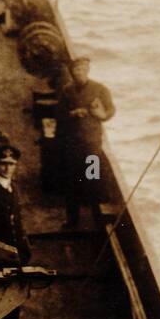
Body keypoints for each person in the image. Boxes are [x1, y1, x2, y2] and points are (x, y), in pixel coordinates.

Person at [59, 57, 115, 229]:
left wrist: (101, 115)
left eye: (83, 70)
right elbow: (59, 114)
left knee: (94, 180)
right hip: (73, 146)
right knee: (72, 182)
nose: (80, 73)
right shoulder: (67, 91)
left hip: (92, 145)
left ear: (88, 71)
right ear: (71, 73)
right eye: (76, 70)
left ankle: (97, 224)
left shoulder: (100, 89)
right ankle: (72, 221)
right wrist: (72, 114)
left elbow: (110, 110)